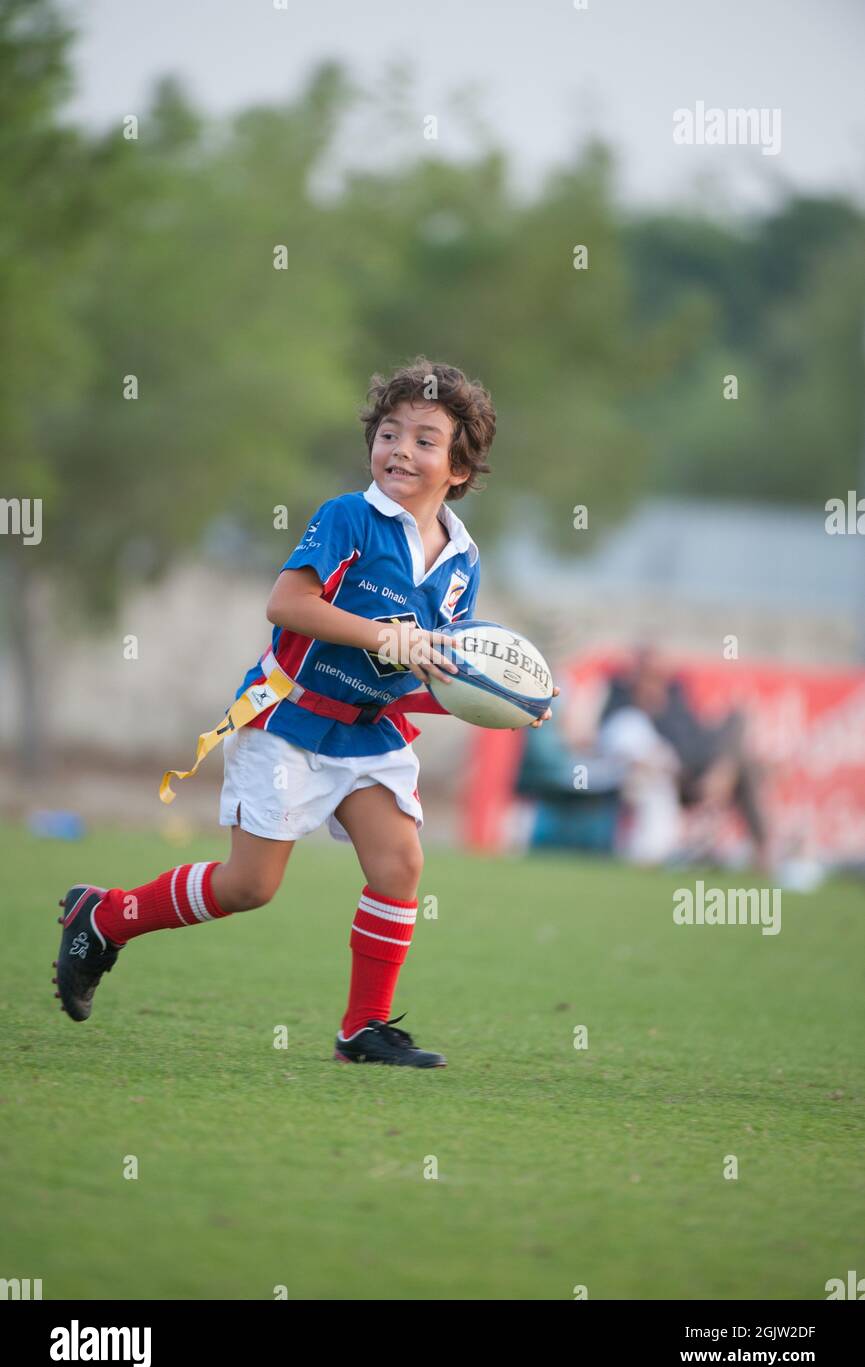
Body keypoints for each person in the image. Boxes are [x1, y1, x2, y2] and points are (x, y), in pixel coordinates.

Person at [51, 357, 560, 1067]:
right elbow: (287, 606)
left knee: (399, 865)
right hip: (287, 720)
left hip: (370, 734)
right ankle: (103, 918)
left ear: (460, 470)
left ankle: (363, 1030)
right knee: (249, 886)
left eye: (423, 440)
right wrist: (388, 636)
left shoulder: (463, 561)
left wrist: (497, 703)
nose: (399, 451)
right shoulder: (349, 517)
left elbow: (424, 676)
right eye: (389, 433)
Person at [600, 647, 769, 868]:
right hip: (670, 777)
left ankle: (761, 851)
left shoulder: (677, 703)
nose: (652, 682)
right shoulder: (627, 712)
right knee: (746, 768)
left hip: (703, 767)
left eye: (657, 675)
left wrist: (720, 769)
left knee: (740, 734)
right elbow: (626, 747)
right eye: (646, 675)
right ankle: (760, 853)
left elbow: (697, 737)